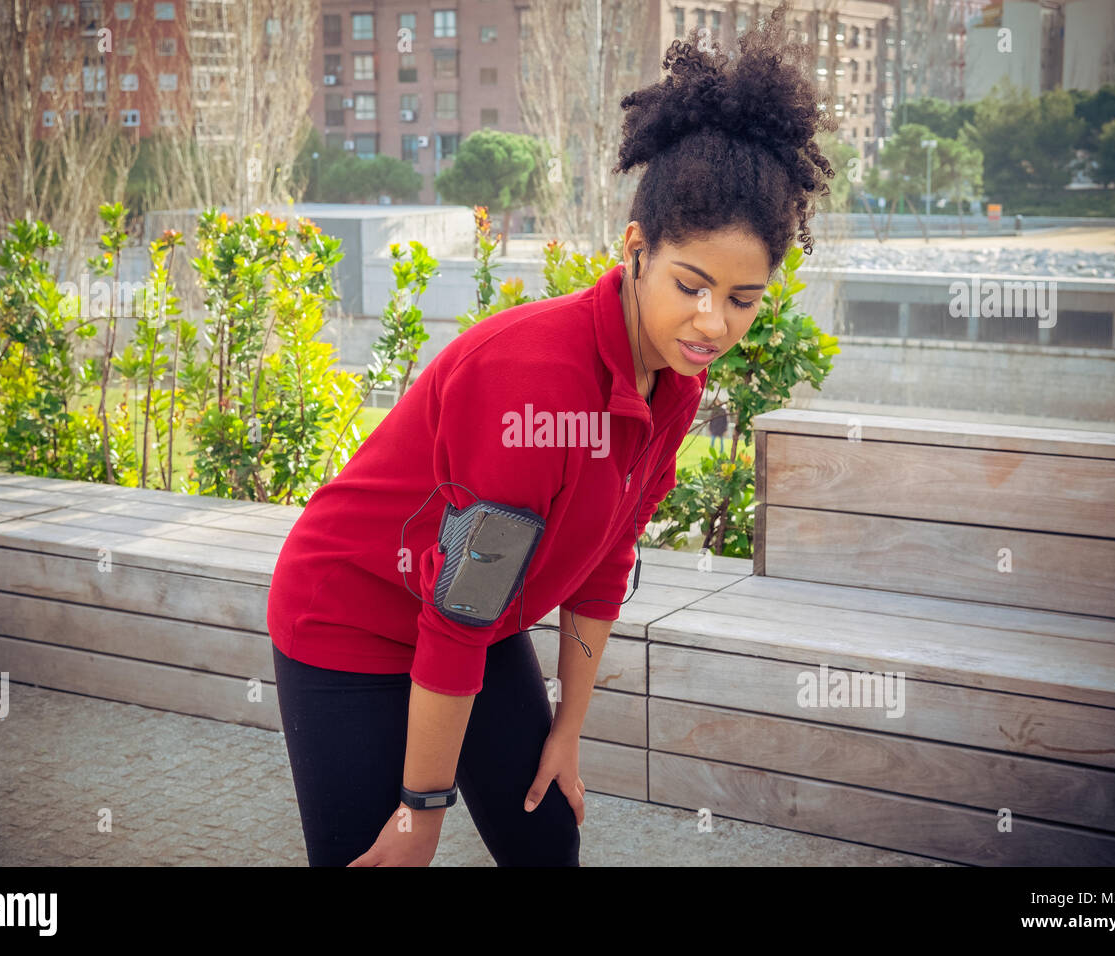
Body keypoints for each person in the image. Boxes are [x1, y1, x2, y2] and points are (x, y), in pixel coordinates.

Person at [265, 1, 834, 867]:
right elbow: (456, 613)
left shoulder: (674, 377)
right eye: (690, 284)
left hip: (474, 621)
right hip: (350, 613)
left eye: (743, 299)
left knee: (545, 839)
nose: (712, 321)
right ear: (636, 248)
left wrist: (566, 730)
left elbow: (605, 556)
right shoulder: (533, 381)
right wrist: (423, 810)